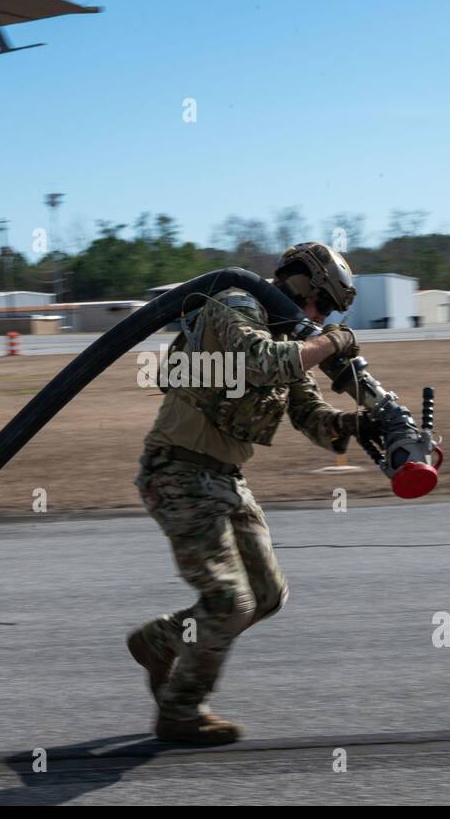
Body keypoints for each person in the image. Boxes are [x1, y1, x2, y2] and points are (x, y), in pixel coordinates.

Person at [129, 242, 365, 744]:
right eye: (320, 305)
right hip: (178, 471)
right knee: (230, 602)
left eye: (327, 314)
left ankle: (161, 640)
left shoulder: (287, 336)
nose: (319, 319)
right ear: (302, 285)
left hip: (225, 478)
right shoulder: (237, 305)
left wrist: (360, 425)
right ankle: (180, 711)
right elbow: (260, 362)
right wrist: (333, 343)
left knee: (267, 596)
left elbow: (311, 416)